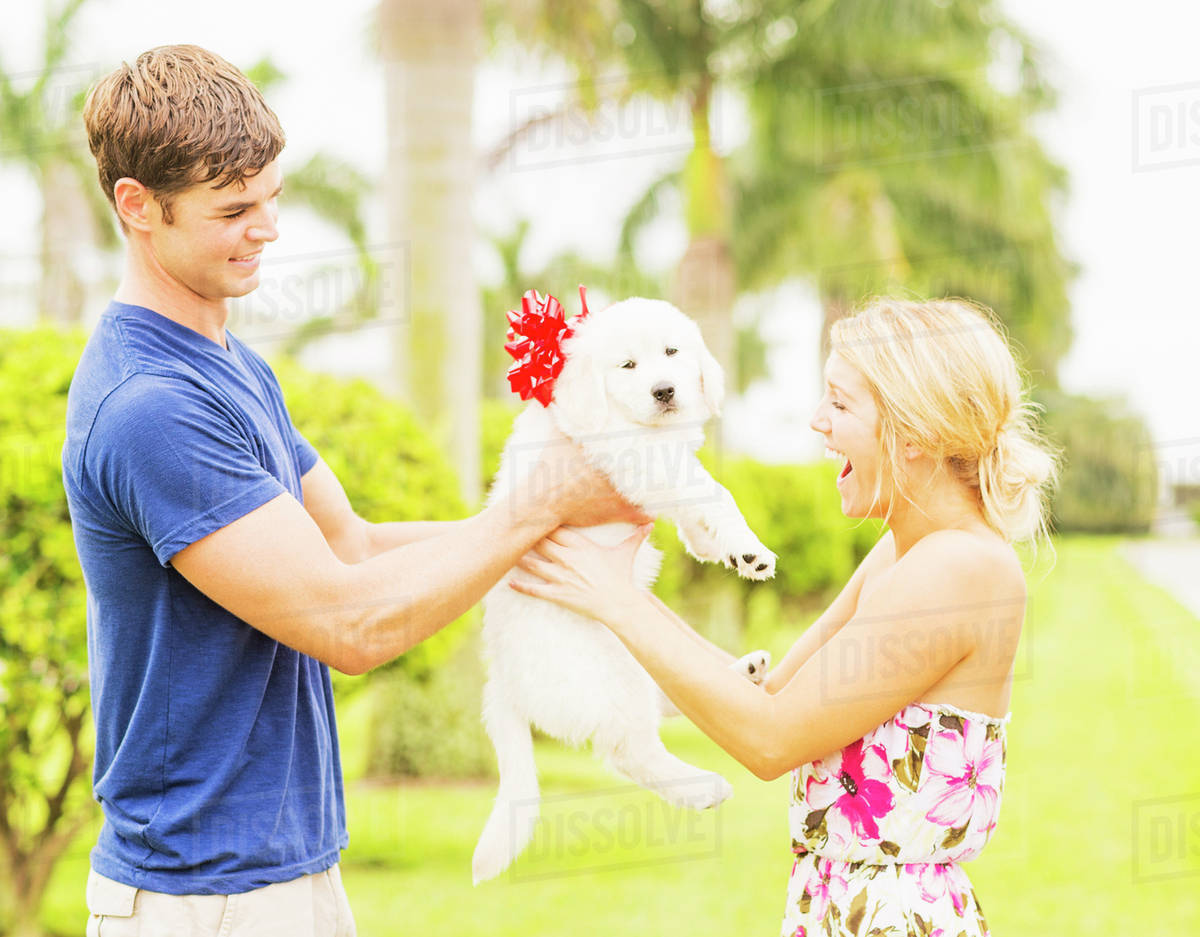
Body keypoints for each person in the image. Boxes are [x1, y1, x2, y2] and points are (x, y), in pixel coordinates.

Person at [64, 44, 646, 935]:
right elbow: (348, 622)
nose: (267, 229)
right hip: (200, 894)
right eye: (233, 209)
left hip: (281, 870)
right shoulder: (150, 406)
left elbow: (356, 547)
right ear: (137, 206)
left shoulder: (231, 366)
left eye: (270, 198)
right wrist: (540, 506)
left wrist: (561, 518)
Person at [511, 297, 1061, 936]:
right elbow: (769, 694)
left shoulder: (960, 569)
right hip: (840, 907)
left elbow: (770, 739)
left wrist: (619, 602)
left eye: (840, 403)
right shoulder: (905, 551)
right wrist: (611, 595)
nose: (817, 423)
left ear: (913, 434)